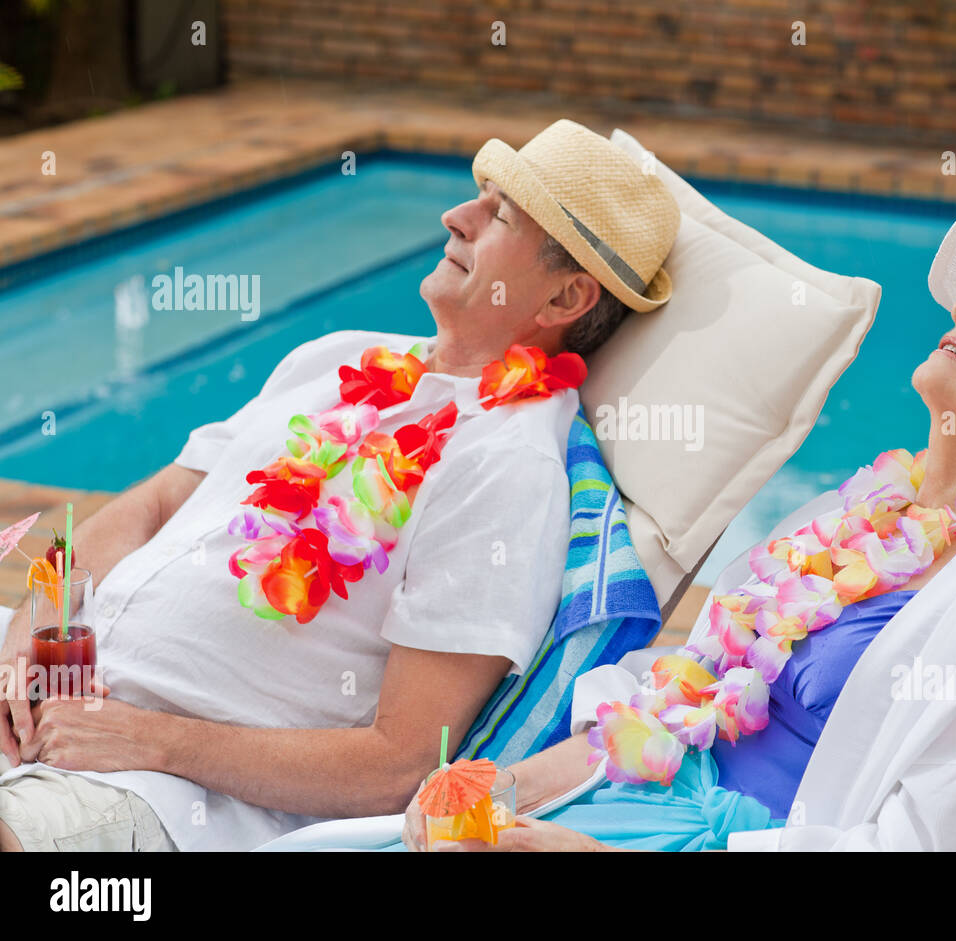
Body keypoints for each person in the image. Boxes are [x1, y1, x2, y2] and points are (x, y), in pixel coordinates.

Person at [402, 190, 956, 852]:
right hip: (618, 799)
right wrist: (510, 784)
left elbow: (936, 841)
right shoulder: (853, 514)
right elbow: (679, 699)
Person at [0, 119, 681, 852]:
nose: (458, 216)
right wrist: (29, 637)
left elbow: (402, 759)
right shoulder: (338, 356)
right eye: (480, 197)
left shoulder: (506, 467)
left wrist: (149, 740)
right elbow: (157, 499)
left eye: (500, 216)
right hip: (49, 705)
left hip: (150, 793)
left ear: (564, 298)